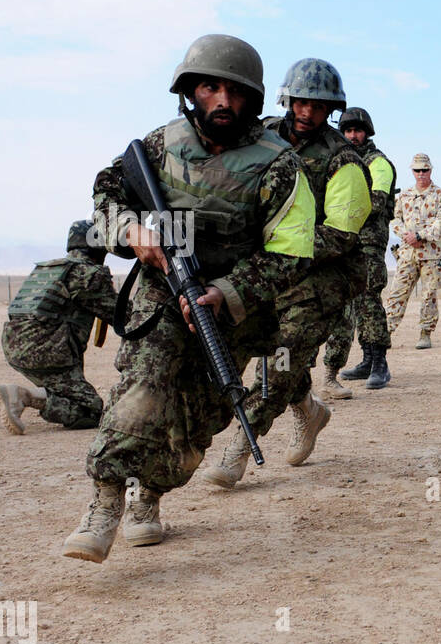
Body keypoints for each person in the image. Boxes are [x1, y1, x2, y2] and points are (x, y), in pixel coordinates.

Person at [61, 34, 315, 562]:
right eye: (210, 87)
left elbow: (293, 253)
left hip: (232, 306)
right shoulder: (160, 144)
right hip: (162, 290)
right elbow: (107, 193)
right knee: (144, 389)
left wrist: (226, 293)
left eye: (235, 92)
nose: (222, 101)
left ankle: (147, 495)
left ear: (254, 100)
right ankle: (105, 500)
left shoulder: (280, 164)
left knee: (198, 421)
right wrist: (131, 229)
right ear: (189, 91)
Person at [199, 58, 371, 489]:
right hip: (266, 269)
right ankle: (309, 411)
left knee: (283, 357)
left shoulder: (343, 159)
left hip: (323, 275)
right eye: (300, 102)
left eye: (317, 105)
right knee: (262, 347)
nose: (306, 112)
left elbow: (340, 234)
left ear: (330, 108)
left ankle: (238, 448)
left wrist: (282, 253)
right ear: (287, 99)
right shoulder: (261, 135)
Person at [0, 220, 118, 434]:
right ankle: (26, 396)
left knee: (65, 388)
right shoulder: (87, 273)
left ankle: (34, 394)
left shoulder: (50, 268)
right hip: (47, 353)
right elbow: (122, 315)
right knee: (91, 409)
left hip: (15, 347)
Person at [323, 106, 397, 393]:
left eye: (357, 130)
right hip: (344, 243)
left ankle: (380, 363)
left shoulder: (377, 163)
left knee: (369, 301)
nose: (352, 135)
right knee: (350, 305)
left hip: (367, 242)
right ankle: (366, 361)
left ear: (367, 132)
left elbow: (376, 202)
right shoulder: (342, 162)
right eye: (348, 130)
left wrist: (341, 211)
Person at [384, 154, 441, 349]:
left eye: (424, 170)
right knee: (397, 293)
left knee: (429, 294)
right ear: (412, 171)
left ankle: (425, 333)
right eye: (417, 170)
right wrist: (406, 235)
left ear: (430, 170)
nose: (421, 174)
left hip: (431, 254)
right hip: (407, 253)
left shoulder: (440, 195)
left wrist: (420, 236)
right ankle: (386, 332)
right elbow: (394, 219)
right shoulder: (404, 195)